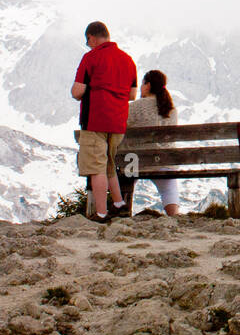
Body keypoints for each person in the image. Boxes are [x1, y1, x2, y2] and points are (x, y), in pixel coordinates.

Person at [70, 21, 137, 223]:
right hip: (117, 121)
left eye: (88, 41)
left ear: (91, 37)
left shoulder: (90, 58)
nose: (88, 44)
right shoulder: (128, 60)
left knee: (95, 167)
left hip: (95, 119)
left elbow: (77, 91)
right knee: (108, 164)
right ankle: (119, 204)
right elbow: (132, 94)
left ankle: (100, 213)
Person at [124, 70, 181, 216]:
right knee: (168, 187)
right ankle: (174, 216)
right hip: (166, 162)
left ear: (148, 85)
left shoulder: (135, 107)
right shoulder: (171, 109)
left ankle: (123, 211)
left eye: (142, 84)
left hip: (137, 162)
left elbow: (121, 128)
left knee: (125, 177)